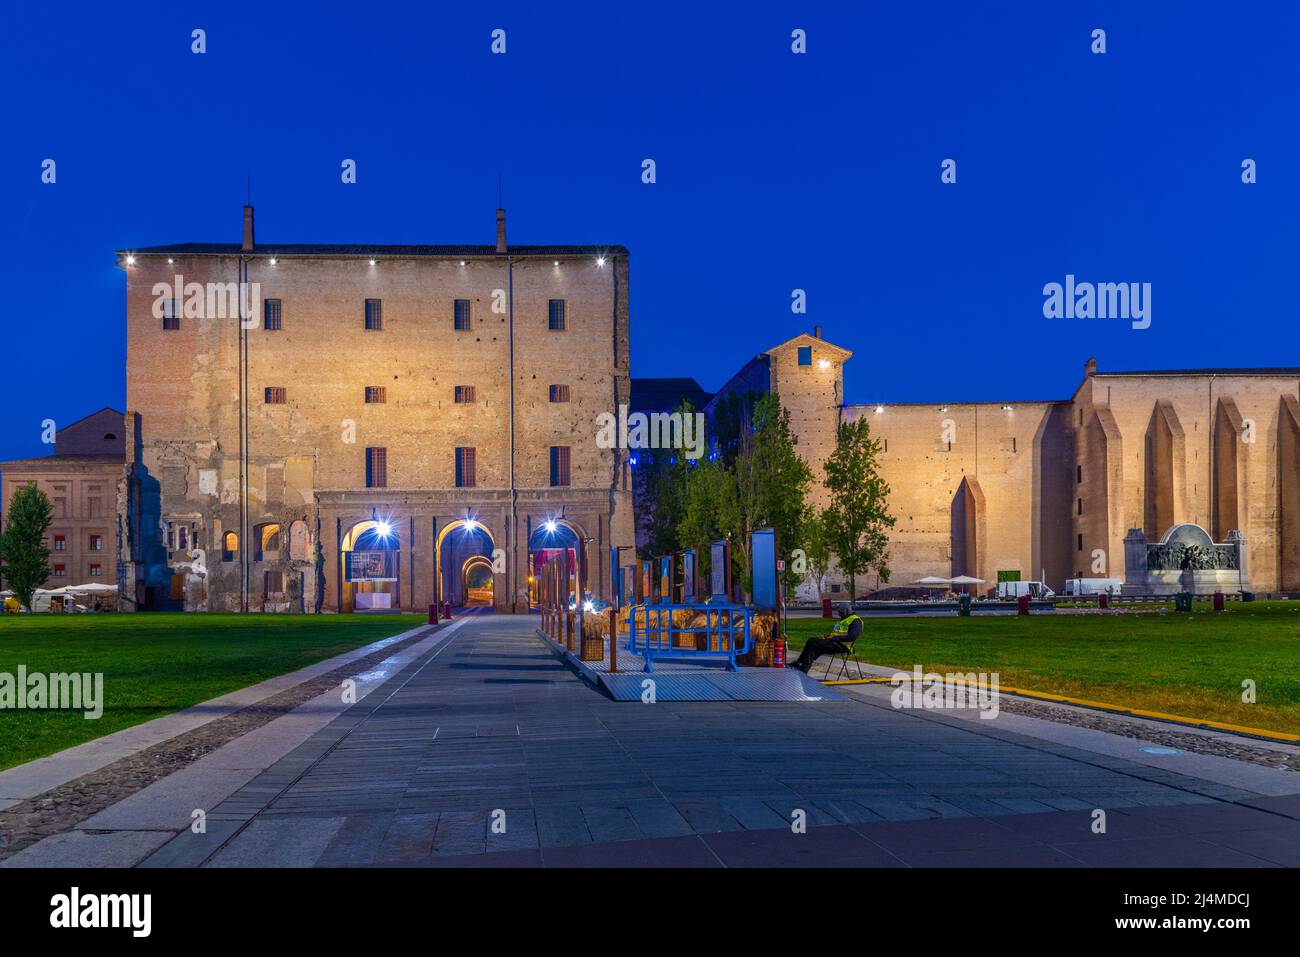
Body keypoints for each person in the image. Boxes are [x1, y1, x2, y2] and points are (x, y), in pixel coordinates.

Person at [789, 613, 862, 673]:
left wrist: (833, 638)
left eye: (840, 612)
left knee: (812, 641)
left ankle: (799, 664)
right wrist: (828, 637)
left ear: (845, 610)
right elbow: (837, 633)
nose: (839, 614)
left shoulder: (855, 620)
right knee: (813, 647)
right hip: (834, 643)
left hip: (843, 647)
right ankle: (803, 669)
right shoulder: (844, 619)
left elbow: (852, 636)